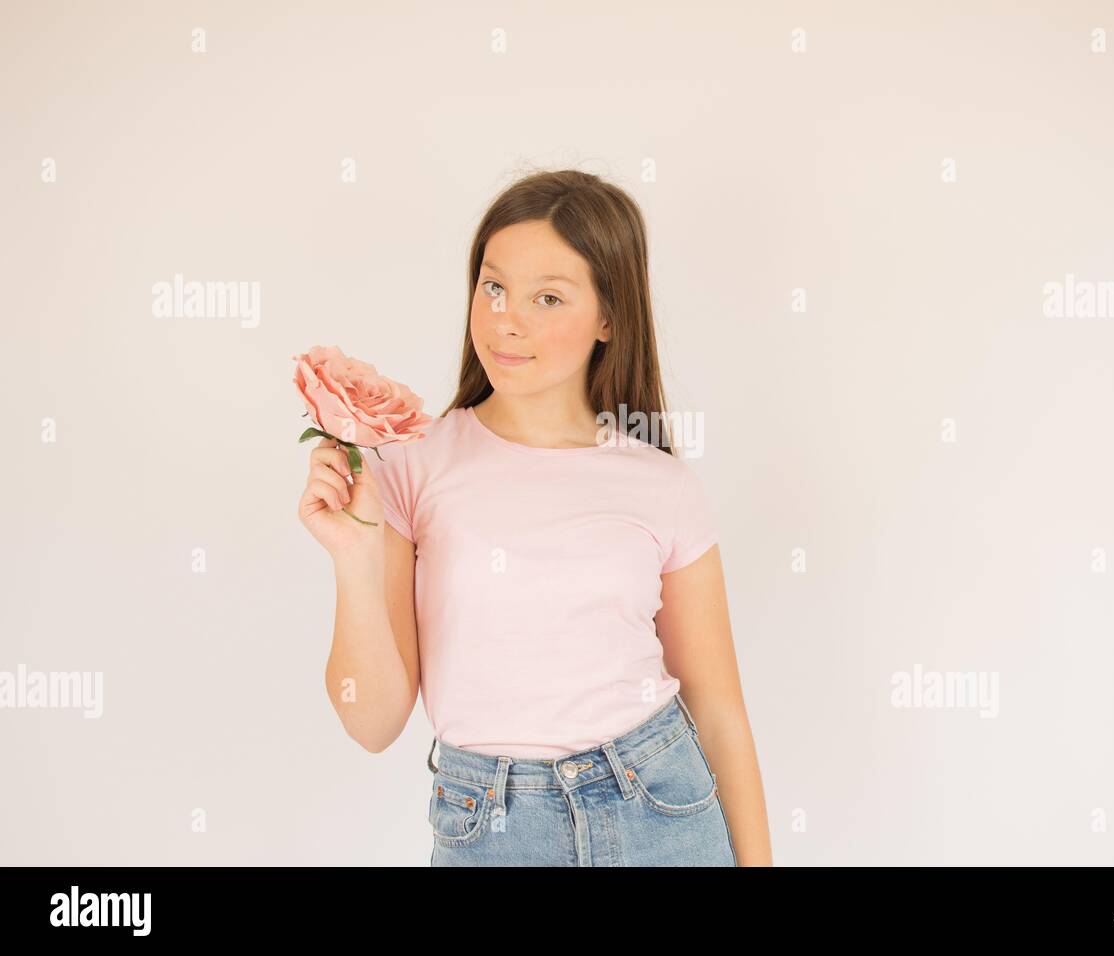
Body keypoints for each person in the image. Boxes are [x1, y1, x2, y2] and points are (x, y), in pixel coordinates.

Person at [299, 169, 770, 866]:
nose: (506, 319)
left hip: (661, 811)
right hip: (489, 827)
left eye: (547, 297)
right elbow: (371, 722)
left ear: (609, 318)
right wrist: (353, 555)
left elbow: (721, 711)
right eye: (493, 287)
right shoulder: (413, 465)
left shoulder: (663, 485)